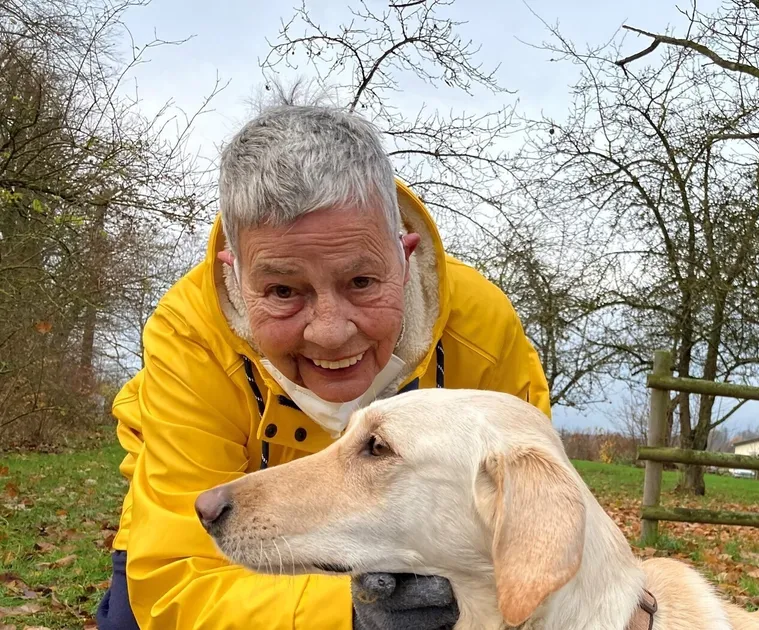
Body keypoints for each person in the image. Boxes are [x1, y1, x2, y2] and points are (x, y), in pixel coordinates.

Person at [94, 103, 551, 630]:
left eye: (361, 282)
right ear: (236, 277)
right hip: (215, 548)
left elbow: (527, 521)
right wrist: (349, 616)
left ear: (405, 255)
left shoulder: (482, 328)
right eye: (283, 291)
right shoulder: (189, 336)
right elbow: (180, 579)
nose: (331, 333)